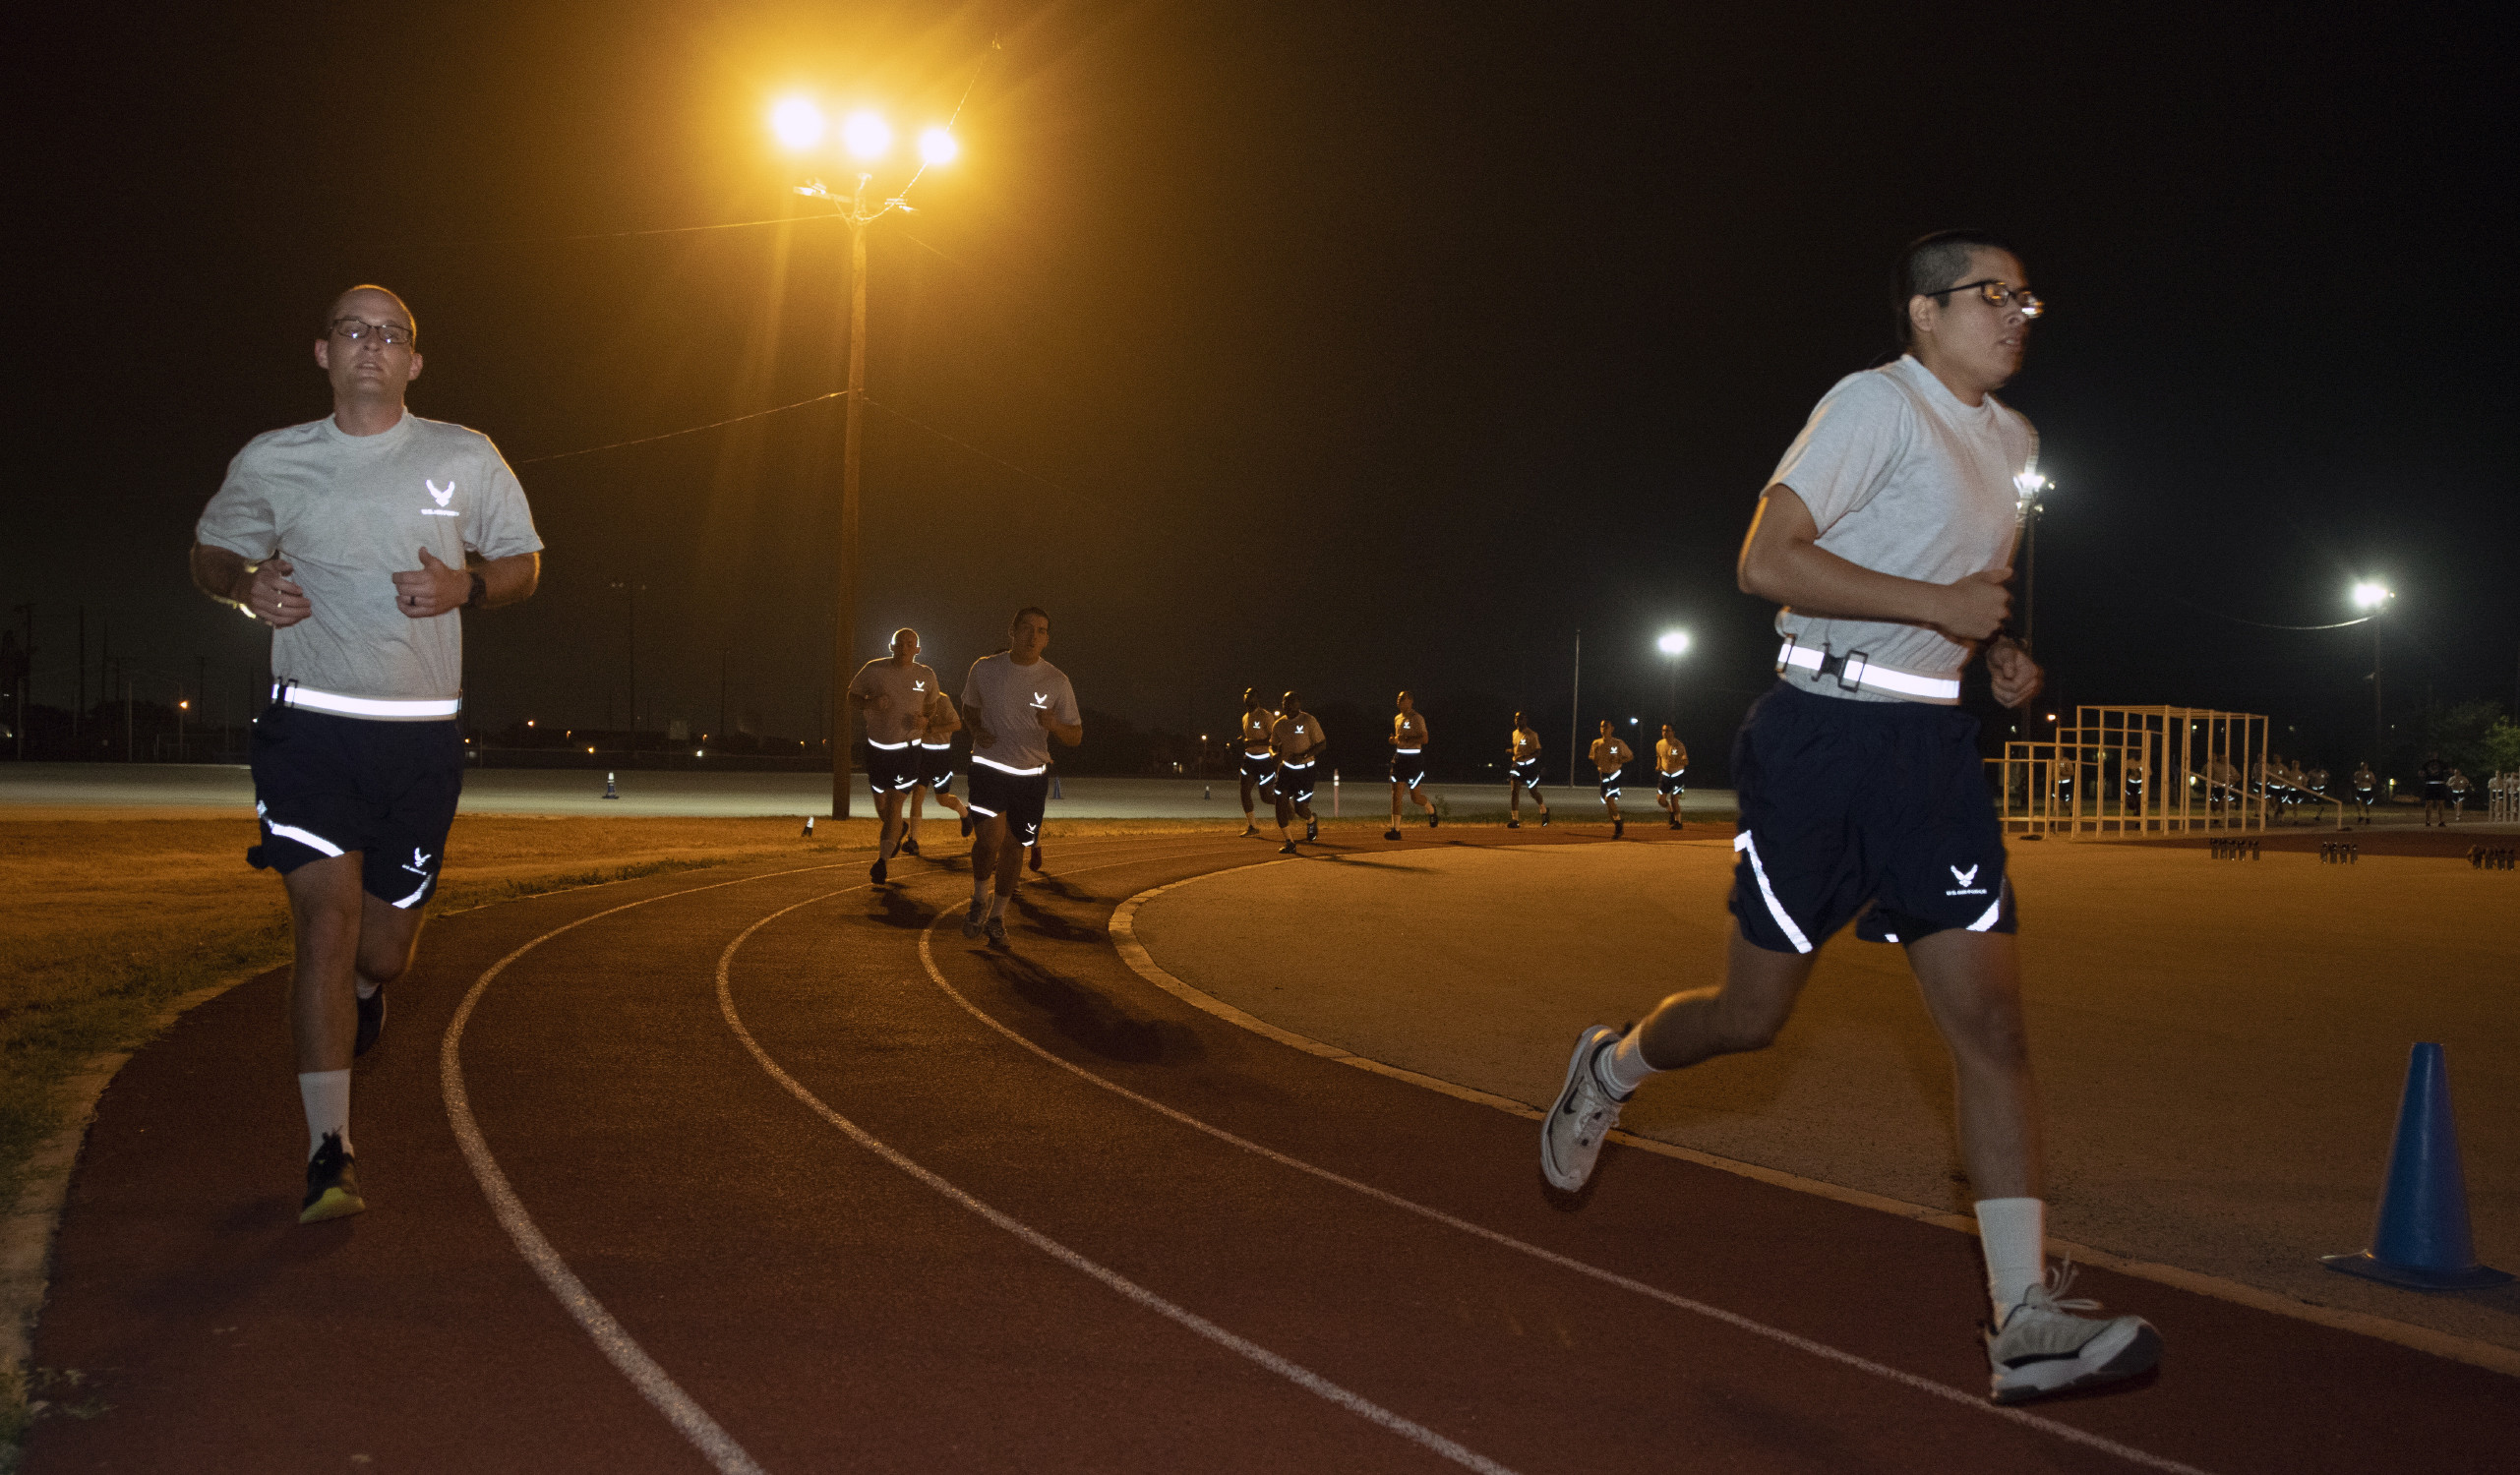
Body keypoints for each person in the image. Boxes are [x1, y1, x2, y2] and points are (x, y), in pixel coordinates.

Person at [1539, 233, 2159, 1405]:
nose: (2018, 313)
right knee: (1749, 1017)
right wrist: (1938, 605)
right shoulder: (1875, 405)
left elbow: (1952, 602)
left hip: (1934, 754)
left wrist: (2000, 660)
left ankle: (2021, 1315)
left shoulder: (2015, 441)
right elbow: (1766, 561)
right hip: (1821, 744)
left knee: (1993, 1027)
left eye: (2026, 298)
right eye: (1994, 294)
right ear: (1926, 313)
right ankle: (1611, 1069)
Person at [189, 285, 543, 1224]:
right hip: (307, 727)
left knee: (381, 952)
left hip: (420, 738)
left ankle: (362, 995)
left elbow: (523, 562)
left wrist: (467, 584)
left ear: (414, 362)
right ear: (323, 352)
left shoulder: (465, 455)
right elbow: (211, 553)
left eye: (391, 336)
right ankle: (328, 1151)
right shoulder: (276, 458)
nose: (372, 348)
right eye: (355, 332)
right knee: (325, 924)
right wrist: (247, 585)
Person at [959, 609, 1082, 947]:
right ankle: (979, 897)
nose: (1033, 636)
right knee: (989, 840)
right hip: (989, 767)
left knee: (1015, 848)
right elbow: (969, 705)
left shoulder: (1057, 680)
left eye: (1041, 631)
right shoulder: (985, 668)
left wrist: (1055, 726)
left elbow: (1076, 735)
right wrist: (975, 728)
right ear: (1011, 630)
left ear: (1047, 639)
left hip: (1031, 775)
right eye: (1026, 628)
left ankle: (997, 917)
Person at [849, 628, 939, 885]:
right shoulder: (873, 670)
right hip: (877, 748)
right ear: (891, 646)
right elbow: (851, 696)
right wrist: (871, 703)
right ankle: (897, 830)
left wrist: (924, 720)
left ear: (917, 650)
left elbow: (931, 705)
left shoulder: (926, 675)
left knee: (896, 803)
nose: (904, 647)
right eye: (900, 643)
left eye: (910, 643)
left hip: (908, 749)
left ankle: (882, 862)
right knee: (883, 808)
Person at [904, 685, 969, 851]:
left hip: (941, 755)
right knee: (917, 793)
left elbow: (957, 724)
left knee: (943, 799)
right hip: (922, 754)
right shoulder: (913, 701)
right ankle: (913, 840)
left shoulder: (943, 701)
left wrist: (932, 729)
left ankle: (965, 814)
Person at [1269, 690, 1328, 854]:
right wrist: (1274, 754)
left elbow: (1322, 744)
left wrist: (1303, 755)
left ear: (1299, 704)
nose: (1287, 705)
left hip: (1305, 771)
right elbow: (1273, 745)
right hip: (1286, 769)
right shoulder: (1279, 724)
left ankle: (1311, 819)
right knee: (1279, 800)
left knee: (1299, 808)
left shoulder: (1308, 720)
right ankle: (1289, 841)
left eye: (1291, 701)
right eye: (1284, 701)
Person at [1385, 690, 1438, 840]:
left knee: (1415, 797)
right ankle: (1396, 830)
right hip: (1399, 758)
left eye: (1402, 698)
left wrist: (1405, 739)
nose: (1399, 701)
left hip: (1414, 759)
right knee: (1396, 794)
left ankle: (1430, 809)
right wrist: (1394, 740)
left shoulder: (1417, 718)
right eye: (1398, 698)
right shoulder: (1397, 718)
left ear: (1410, 701)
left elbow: (1425, 738)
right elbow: (1399, 738)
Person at [1236, 687, 1279, 838]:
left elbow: (1273, 739)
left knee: (1266, 798)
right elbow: (1249, 740)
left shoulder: (1265, 716)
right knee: (1244, 790)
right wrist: (1245, 742)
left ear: (1257, 698)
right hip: (1249, 760)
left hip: (1264, 760)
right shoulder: (1244, 717)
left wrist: (1252, 741)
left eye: (1251, 696)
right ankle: (1252, 826)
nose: (1248, 698)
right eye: (1246, 695)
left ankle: (1284, 803)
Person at [1506, 711, 1551, 829]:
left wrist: (1528, 757)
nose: (1517, 720)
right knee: (1514, 791)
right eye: (1516, 718)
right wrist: (1512, 751)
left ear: (1525, 720)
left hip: (1530, 766)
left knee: (1533, 792)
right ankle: (1515, 820)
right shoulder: (1514, 733)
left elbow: (1538, 751)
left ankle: (1544, 810)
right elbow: (1518, 749)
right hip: (1517, 766)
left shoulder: (1532, 734)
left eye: (1520, 718)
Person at [1589, 719, 1633, 839]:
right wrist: (1596, 760)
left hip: (1615, 774)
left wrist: (1619, 760)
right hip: (1603, 776)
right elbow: (1593, 757)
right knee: (1608, 804)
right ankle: (1618, 823)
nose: (1603, 729)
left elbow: (1630, 756)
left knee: (1609, 800)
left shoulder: (1618, 743)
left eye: (1606, 727)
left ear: (1612, 728)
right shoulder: (1596, 743)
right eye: (1602, 727)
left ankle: (1619, 824)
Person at [1653, 724, 1689, 830]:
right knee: (1660, 799)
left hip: (1677, 775)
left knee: (1674, 800)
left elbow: (1686, 761)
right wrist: (1658, 765)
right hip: (1665, 775)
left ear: (1673, 732)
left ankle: (1678, 822)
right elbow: (1659, 756)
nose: (1665, 732)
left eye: (1667, 730)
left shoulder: (1678, 745)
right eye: (1663, 730)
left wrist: (1679, 761)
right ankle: (1671, 812)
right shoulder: (1659, 744)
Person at [2418, 751, 2451, 826]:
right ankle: (2427, 821)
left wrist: (2449, 771)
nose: (2434, 756)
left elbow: (2449, 770)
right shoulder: (2426, 764)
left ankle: (2441, 821)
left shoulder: (2442, 763)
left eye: (2435, 754)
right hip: (2430, 784)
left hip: (2439, 784)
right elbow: (2420, 772)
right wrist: (2421, 774)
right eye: (2433, 754)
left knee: (2441, 803)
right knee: (2429, 803)